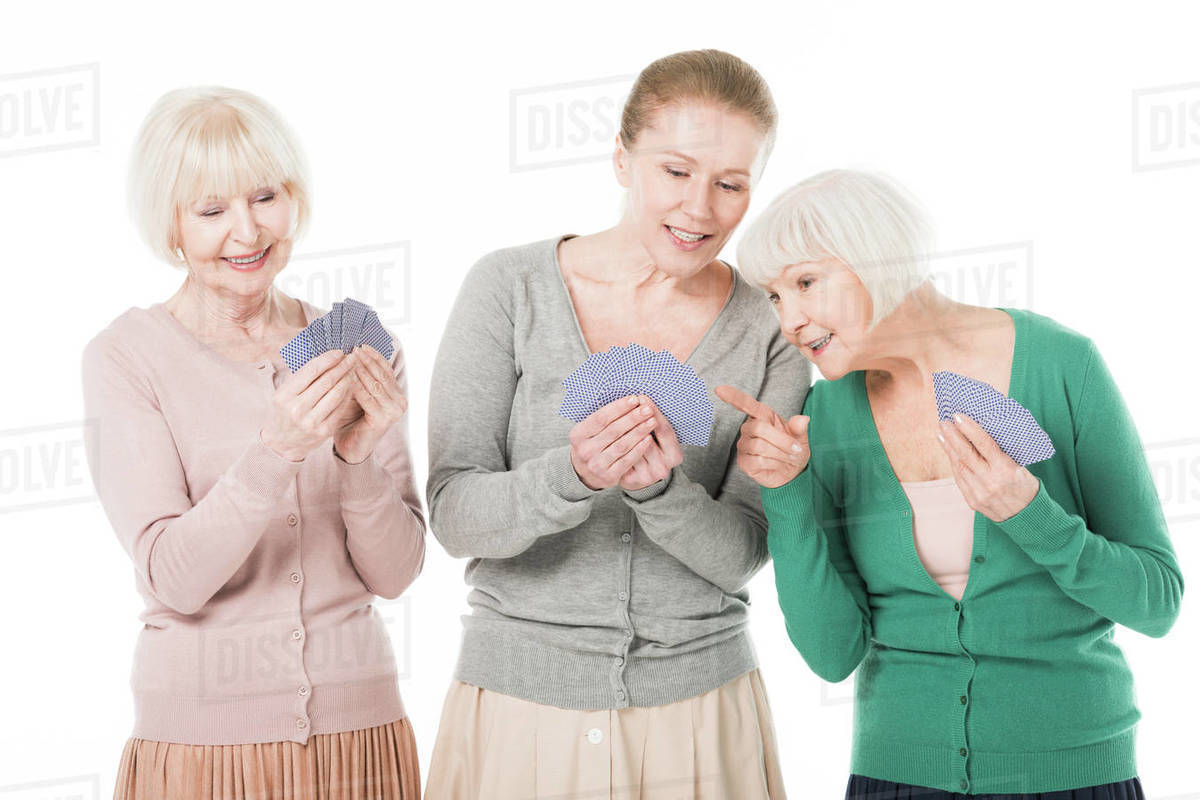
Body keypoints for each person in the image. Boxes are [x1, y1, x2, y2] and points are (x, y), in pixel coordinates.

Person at [718, 168, 1182, 799]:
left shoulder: (1061, 365)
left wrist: (1031, 514)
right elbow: (831, 653)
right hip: (896, 778)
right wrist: (786, 491)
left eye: (805, 283)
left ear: (876, 257)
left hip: (1072, 775)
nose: (790, 320)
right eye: (774, 297)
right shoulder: (828, 414)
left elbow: (1156, 603)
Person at [423, 50, 808, 799]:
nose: (699, 209)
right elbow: (454, 516)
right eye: (676, 170)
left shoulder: (771, 324)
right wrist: (570, 476)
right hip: (519, 708)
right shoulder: (508, 287)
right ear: (622, 159)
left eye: (730, 184)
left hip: (700, 714)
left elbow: (743, 554)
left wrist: (661, 494)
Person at [81, 86, 425, 800]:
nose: (247, 231)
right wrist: (277, 448)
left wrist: (356, 458)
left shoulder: (359, 348)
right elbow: (173, 578)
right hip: (202, 745)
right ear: (171, 225)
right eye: (212, 210)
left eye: (265, 197)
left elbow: (396, 574)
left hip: (361, 736)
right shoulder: (126, 356)